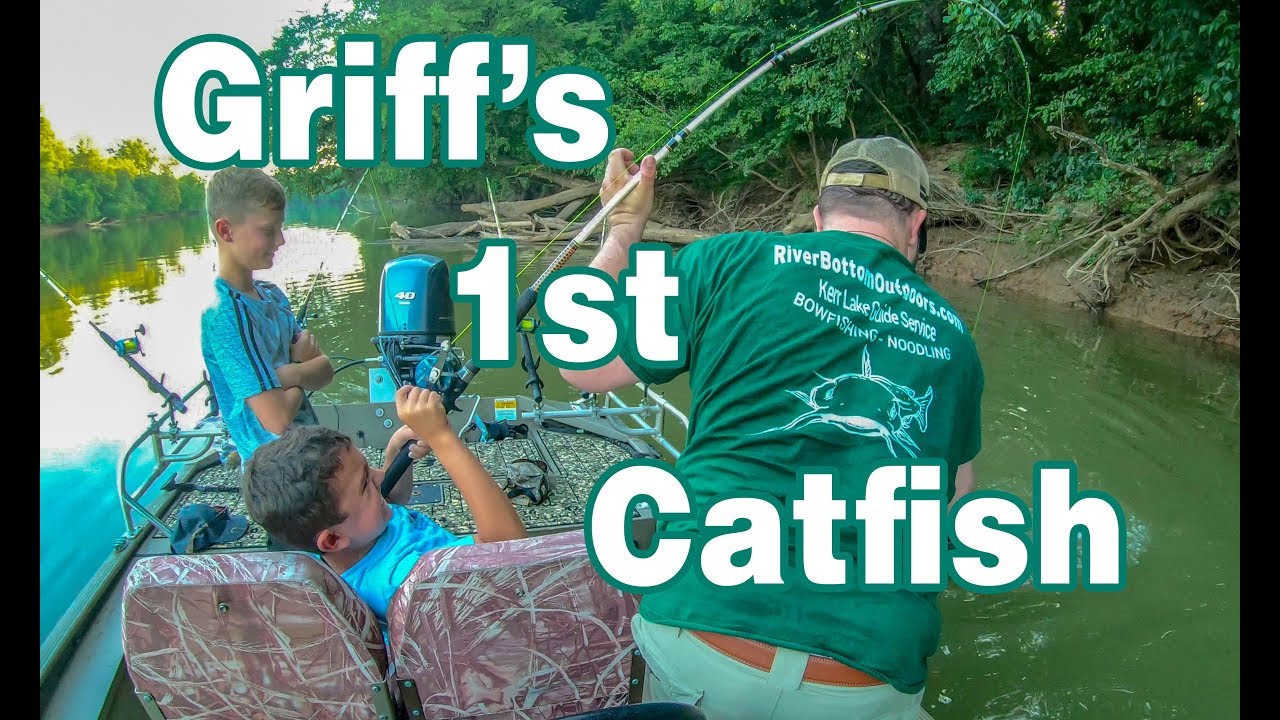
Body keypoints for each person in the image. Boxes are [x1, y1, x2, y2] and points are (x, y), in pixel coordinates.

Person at [561, 136, 984, 720]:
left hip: (705, 635)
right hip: (867, 677)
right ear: (916, 224)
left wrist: (622, 232)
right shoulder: (955, 339)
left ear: (819, 215)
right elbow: (958, 509)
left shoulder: (727, 260)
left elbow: (583, 361)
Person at [242, 384, 528, 623]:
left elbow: (390, 501)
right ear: (332, 540)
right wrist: (443, 438)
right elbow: (507, 546)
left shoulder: (356, 538)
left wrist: (396, 450)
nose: (380, 479)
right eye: (366, 484)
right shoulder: (404, 581)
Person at [200, 167, 334, 466]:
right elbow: (277, 419)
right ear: (226, 231)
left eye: (280, 228)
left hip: (308, 451)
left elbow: (325, 370)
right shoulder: (226, 316)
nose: (281, 240)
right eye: (268, 230)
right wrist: (297, 367)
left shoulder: (272, 295)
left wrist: (286, 375)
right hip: (276, 471)